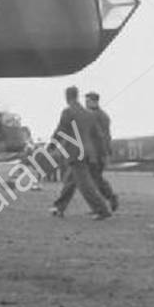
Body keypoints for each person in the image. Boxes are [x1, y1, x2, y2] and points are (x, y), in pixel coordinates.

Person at [49, 87, 111, 219]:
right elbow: (99, 136)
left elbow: (61, 130)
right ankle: (59, 207)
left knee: (85, 185)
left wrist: (51, 145)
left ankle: (102, 210)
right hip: (90, 153)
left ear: (67, 97)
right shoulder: (89, 114)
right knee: (71, 181)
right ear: (77, 96)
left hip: (76, 153)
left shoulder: (68, 112)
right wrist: (103, 153)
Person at [82, 91, 118, 212]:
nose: (85, 104)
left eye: (87, 101)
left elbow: (104, 136)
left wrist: (105, 153)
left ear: (94, 102)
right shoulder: (97, 115)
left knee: (95, 179)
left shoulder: (99, 116)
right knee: (93, 179)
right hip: (93, 153)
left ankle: (110, 198)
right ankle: (101, 203)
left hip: (98, 153)